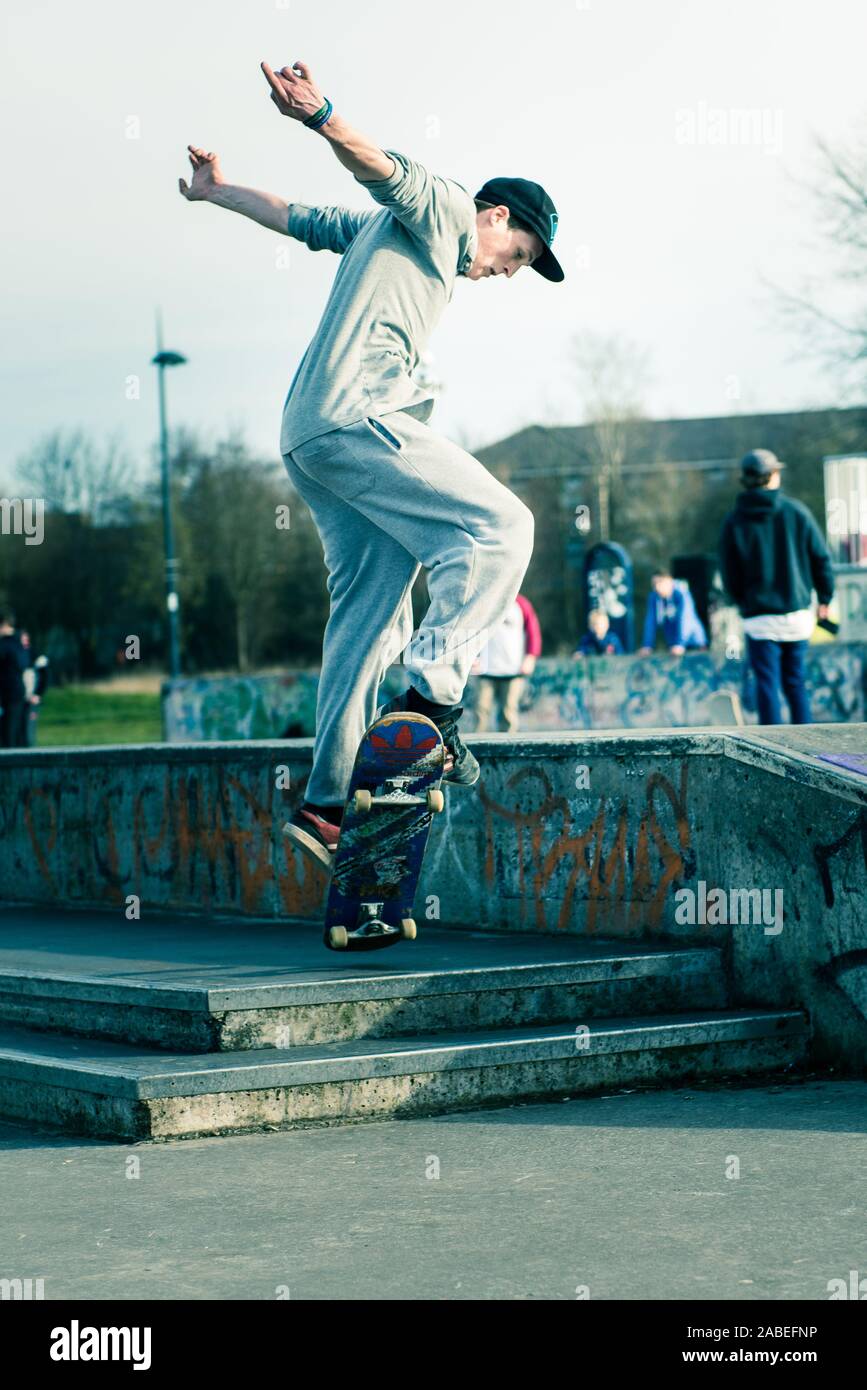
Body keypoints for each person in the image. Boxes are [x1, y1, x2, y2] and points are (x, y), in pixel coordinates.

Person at [181, 60, 564, 866]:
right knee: (500, 527)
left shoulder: (381, 241)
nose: (506, 272)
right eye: (517, 254)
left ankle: (323, 804)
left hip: (309, 440)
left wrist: (218, 192)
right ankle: (429, 706)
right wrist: (321, 114)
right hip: (357, 419)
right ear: (495, 218)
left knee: (370, 616)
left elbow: (299, 218)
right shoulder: (448, 209)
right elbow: (380, 169)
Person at [719, 448, 834, 725]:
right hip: (796, 613)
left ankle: (773, 749)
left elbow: (729, 572)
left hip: (758, 617)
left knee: (766, 684)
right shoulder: (796, 512)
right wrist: (825, 597)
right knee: (795, 682)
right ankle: (805, 746)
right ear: (771, 476)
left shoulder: (734, 521)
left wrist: (741, 601)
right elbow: (821, 557)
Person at [474, 594, 542, 734]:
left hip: (513, 668)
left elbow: (533, 631)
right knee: (481, 709)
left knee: (508, 711)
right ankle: (476, 745)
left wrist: (531, 657)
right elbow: (470, 630)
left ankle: (508, 746)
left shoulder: (521, 603)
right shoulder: (483, 602)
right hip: (485, 668)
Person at [638, 571, 707, 655]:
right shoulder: (654, 597)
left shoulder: (681, 593)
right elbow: (650, 621)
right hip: (673, 645)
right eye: (654, 584)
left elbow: (686, 618)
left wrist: (680, 643)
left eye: (660, 583)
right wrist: (647, 645)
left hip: (693, 643)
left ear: (669, 581)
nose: (657, 587)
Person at [0, 611, 29, 748]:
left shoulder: (5, 645)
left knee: (8, 733)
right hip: (16, 691)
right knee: (14, 731)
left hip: (9, 692)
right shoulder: (20, 643)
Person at [19, 632, 49, 747]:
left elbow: (45, 677)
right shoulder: (15, 655)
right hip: (18, 699)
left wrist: (38, 695)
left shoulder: (35, 655)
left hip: (32, 699)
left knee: (28, 731)